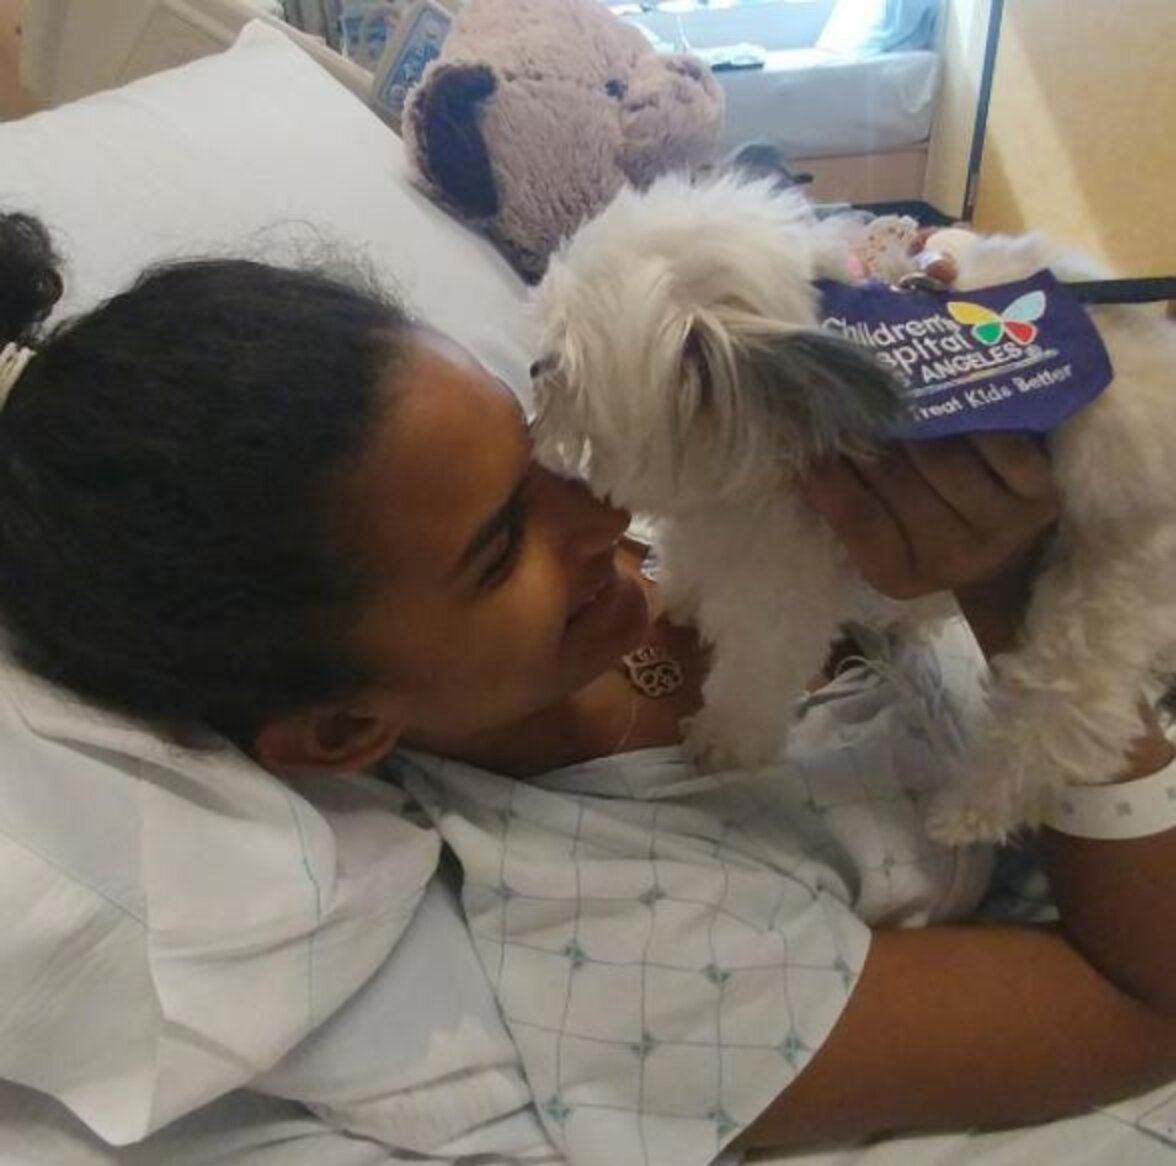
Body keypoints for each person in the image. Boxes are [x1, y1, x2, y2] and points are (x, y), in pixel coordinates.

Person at [2, 209, 1175, 1159]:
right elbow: (1150, 1000)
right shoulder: (624, 953)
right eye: (501, 543)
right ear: (348, 724)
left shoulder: (660, 551)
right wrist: (1018, 592)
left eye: (536, 444)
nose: (608, 509)